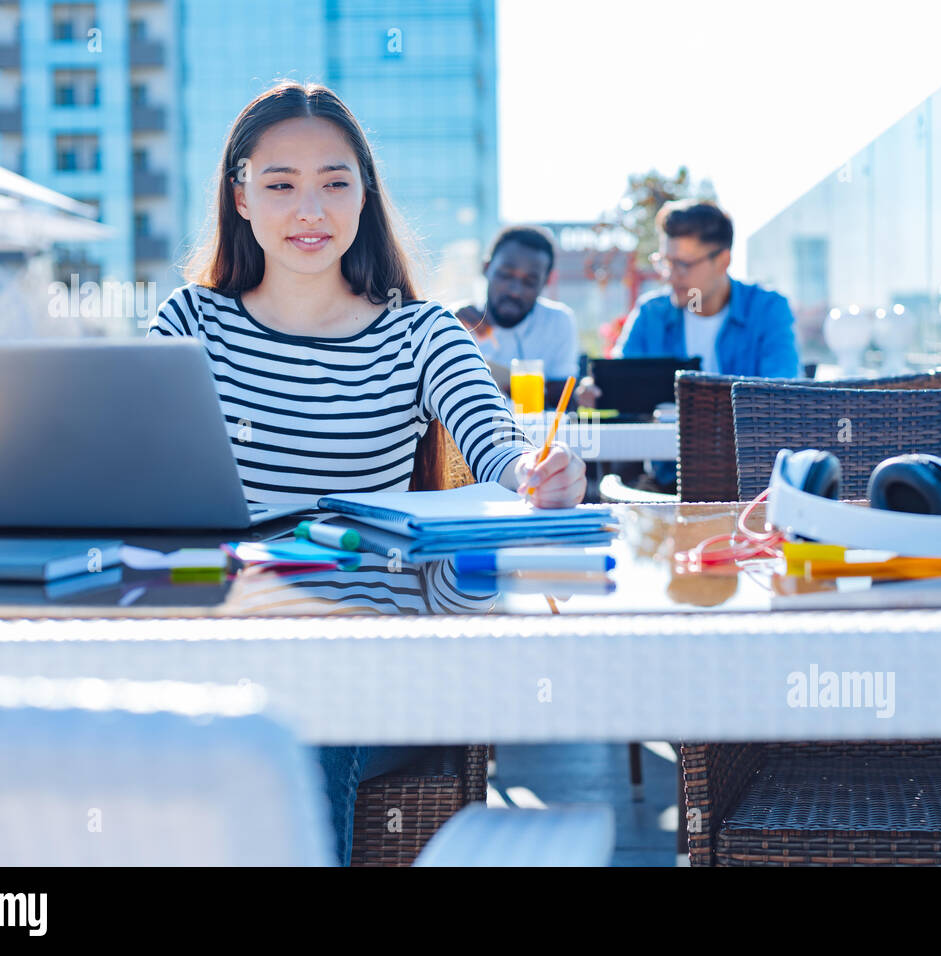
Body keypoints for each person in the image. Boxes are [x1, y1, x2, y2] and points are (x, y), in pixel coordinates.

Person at [146, 80, 586, 865]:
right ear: (240, 197)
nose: (309, 210)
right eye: (279, 185)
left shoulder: (421, 333)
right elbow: (131, 461)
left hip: (363, 650)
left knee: (282, 731)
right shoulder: (189, 322)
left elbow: (498, 444)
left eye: (334, 183)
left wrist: (538, 472)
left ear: (365, 196)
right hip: (214, 630)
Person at [608, 199, 799, 491]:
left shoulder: (768, 310)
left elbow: (781, 398)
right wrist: (601, 392)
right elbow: (620, 387)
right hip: (668, 481)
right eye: (666, 262)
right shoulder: (651, 314)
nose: (672, 276)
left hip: (752, 484)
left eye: (684, 264)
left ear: (723, 260)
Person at [454, 225, 598, 407]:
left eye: (529, 281)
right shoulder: (456, 322)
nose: (515, 291)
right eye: (506, 275)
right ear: (486, 268)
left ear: (546, 281)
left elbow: (562, 396)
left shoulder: (558, 321)